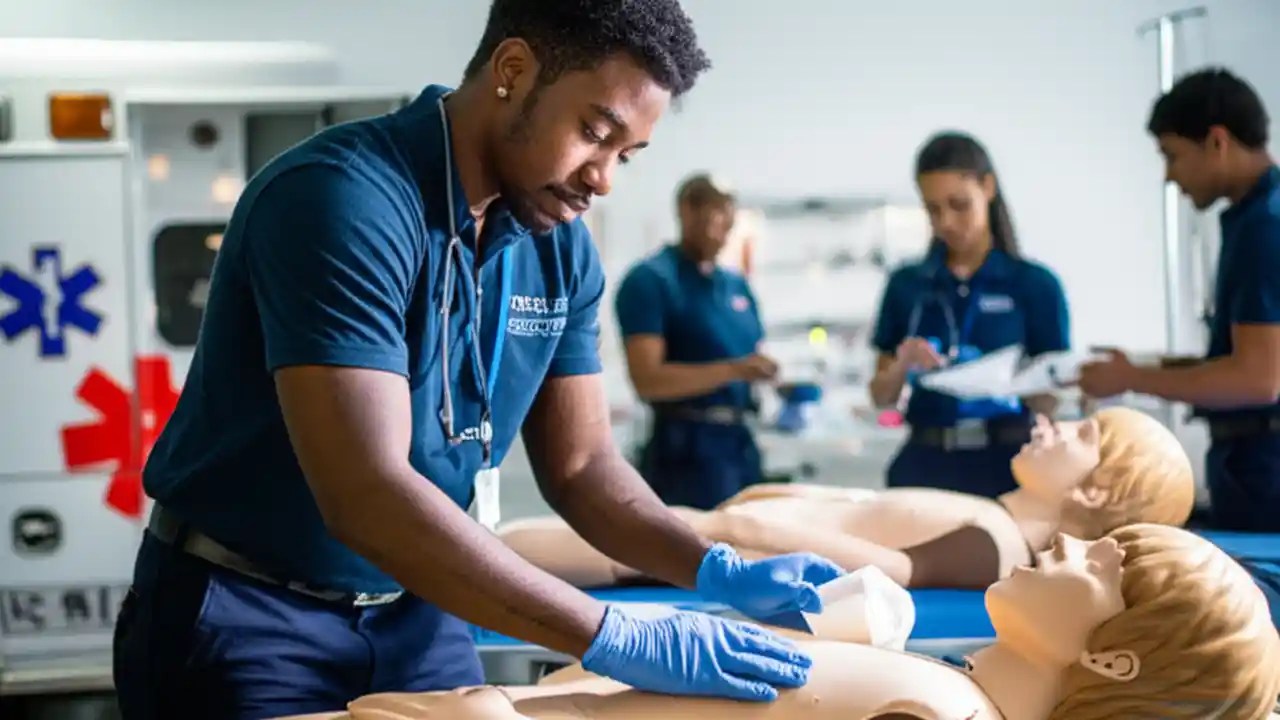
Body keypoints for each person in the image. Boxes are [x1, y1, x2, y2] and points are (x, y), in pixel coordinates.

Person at [112, 3, 851, 718]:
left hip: (415, 613)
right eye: (595, 132)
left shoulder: (557, 245)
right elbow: (367, 493)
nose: (604, 178)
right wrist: (610, 634)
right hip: (253, 618)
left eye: (626, 154)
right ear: (514, 69)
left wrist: (710, 567)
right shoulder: (343, 201)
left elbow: (583, 467)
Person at [273, 524, 1280, 720]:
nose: (1065, 549)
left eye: (1103, 566)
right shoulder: (941, 691)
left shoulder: (937, 714)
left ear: (1107, 659)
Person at [498, 406, 1195, 590]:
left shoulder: (995, 544)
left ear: (1098, 488)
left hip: (716, 541)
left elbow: (890, 568)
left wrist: (749, 529)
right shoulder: (996, 518)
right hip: (724, 529)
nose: (1053, 425)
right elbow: (866, 507)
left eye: (1081, 433)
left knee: (507, 554)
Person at [1079, 67, 1280, 533]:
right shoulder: (1251, 219)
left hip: (1265, 472)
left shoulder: (1264, 228)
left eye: (1172, 156)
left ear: (1216, 142)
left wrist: (1131, 378)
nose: (1170, 176)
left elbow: (1258, 379)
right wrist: (1156, 367)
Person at [869, 131, 1072, 498]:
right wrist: (902, 365)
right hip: (924, 466)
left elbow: (1052, 398)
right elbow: (881, 397)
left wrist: (1022, 385)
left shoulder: (1035, 285)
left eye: (959, 204)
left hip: (1007, 466)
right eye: (933, 209)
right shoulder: (907, 285)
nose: (946, 221)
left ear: (988, 188)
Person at [613, 173, 776, 510]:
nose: (723, 235)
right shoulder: (652, 281)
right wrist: (733, 370)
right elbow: (648, 380)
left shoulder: (734, 286)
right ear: (686, 211)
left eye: (729, 225)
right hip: (686, 450)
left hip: (740, 445)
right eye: (715, 221)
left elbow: (752, 355)